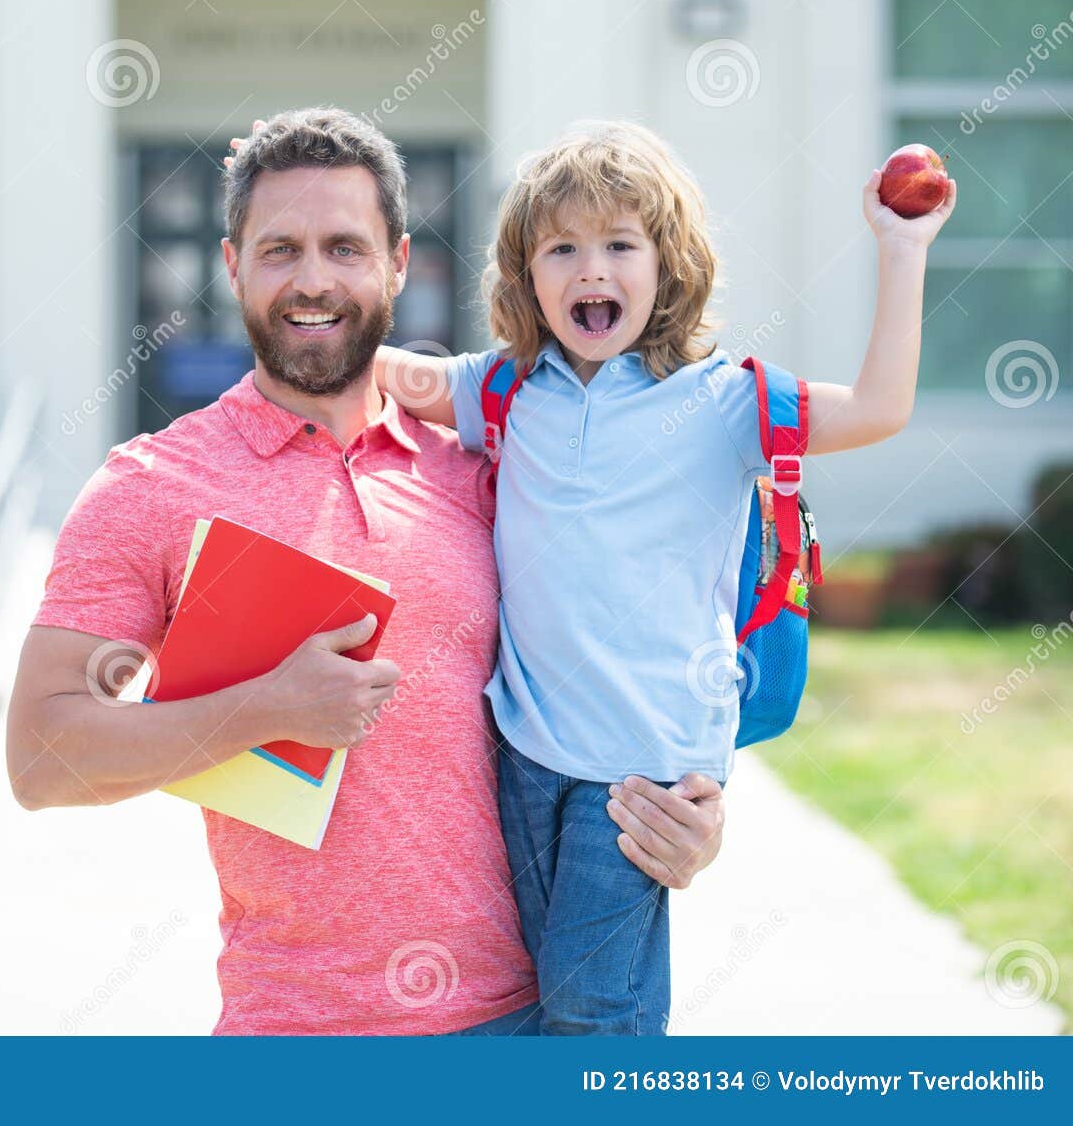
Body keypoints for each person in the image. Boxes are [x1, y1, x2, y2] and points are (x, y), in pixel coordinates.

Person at [6, 108, 727, 1036]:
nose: (313, 281)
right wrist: (263, 709)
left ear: (397, 262)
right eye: (280, 250)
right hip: (295, 1031)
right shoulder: (151, 488)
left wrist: (685, 805)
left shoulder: (489, 462)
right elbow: (41, 758)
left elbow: (639, 632)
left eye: (345, 247)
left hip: (524, 1020)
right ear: (232, 266)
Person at [375, 120, 956, 1034]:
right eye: (560, 246)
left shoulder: (725, 401)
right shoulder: (507, 389)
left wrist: (902, 248)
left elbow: (882, 408)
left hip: (642, 772)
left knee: (594, 1007)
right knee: (531, 990)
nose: (589, 268)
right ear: (527, 274)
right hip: (526, 752)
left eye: (619, 243)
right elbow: (387, 375)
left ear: (668, 264)